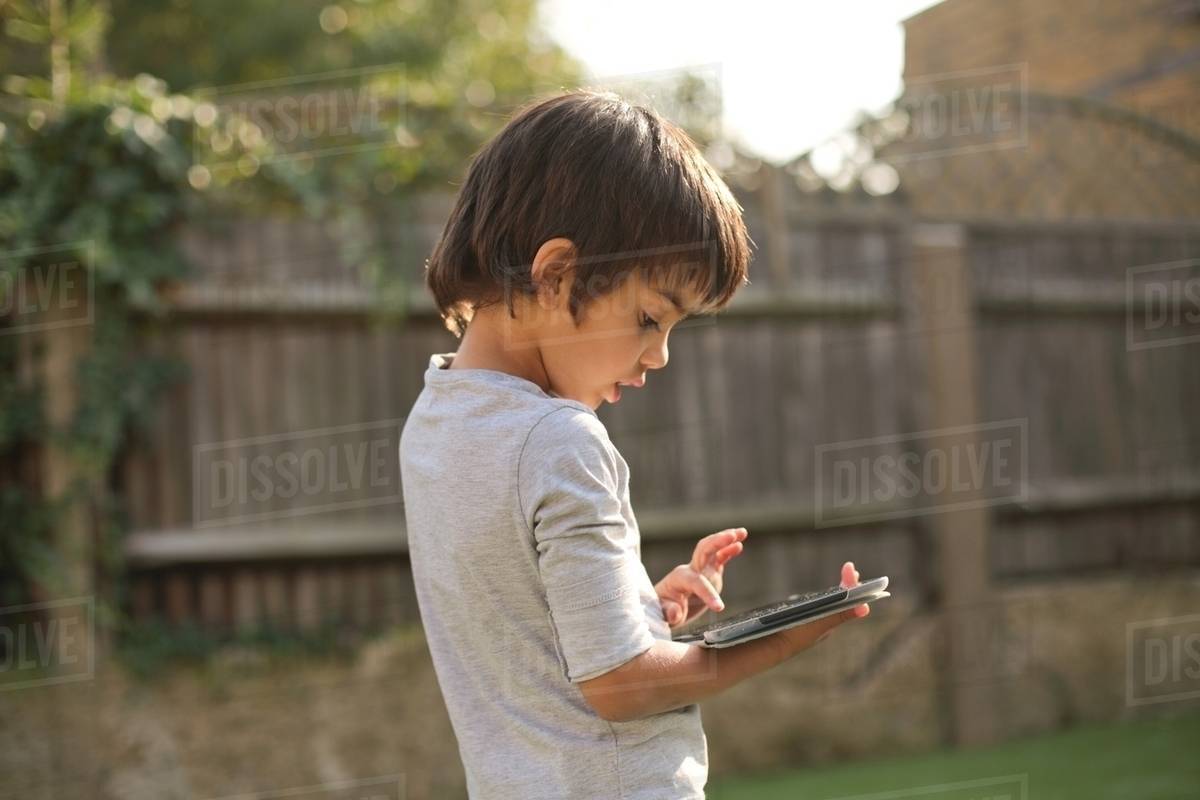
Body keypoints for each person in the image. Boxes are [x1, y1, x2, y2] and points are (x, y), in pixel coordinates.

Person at [399, 89, 872, 799]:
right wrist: (780, 640)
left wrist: (642, 610)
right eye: (651, 317)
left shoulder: (434, 422)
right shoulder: (559, 439)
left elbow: (527, 635)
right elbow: (619, 687)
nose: (660, 357)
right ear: (555, 274)